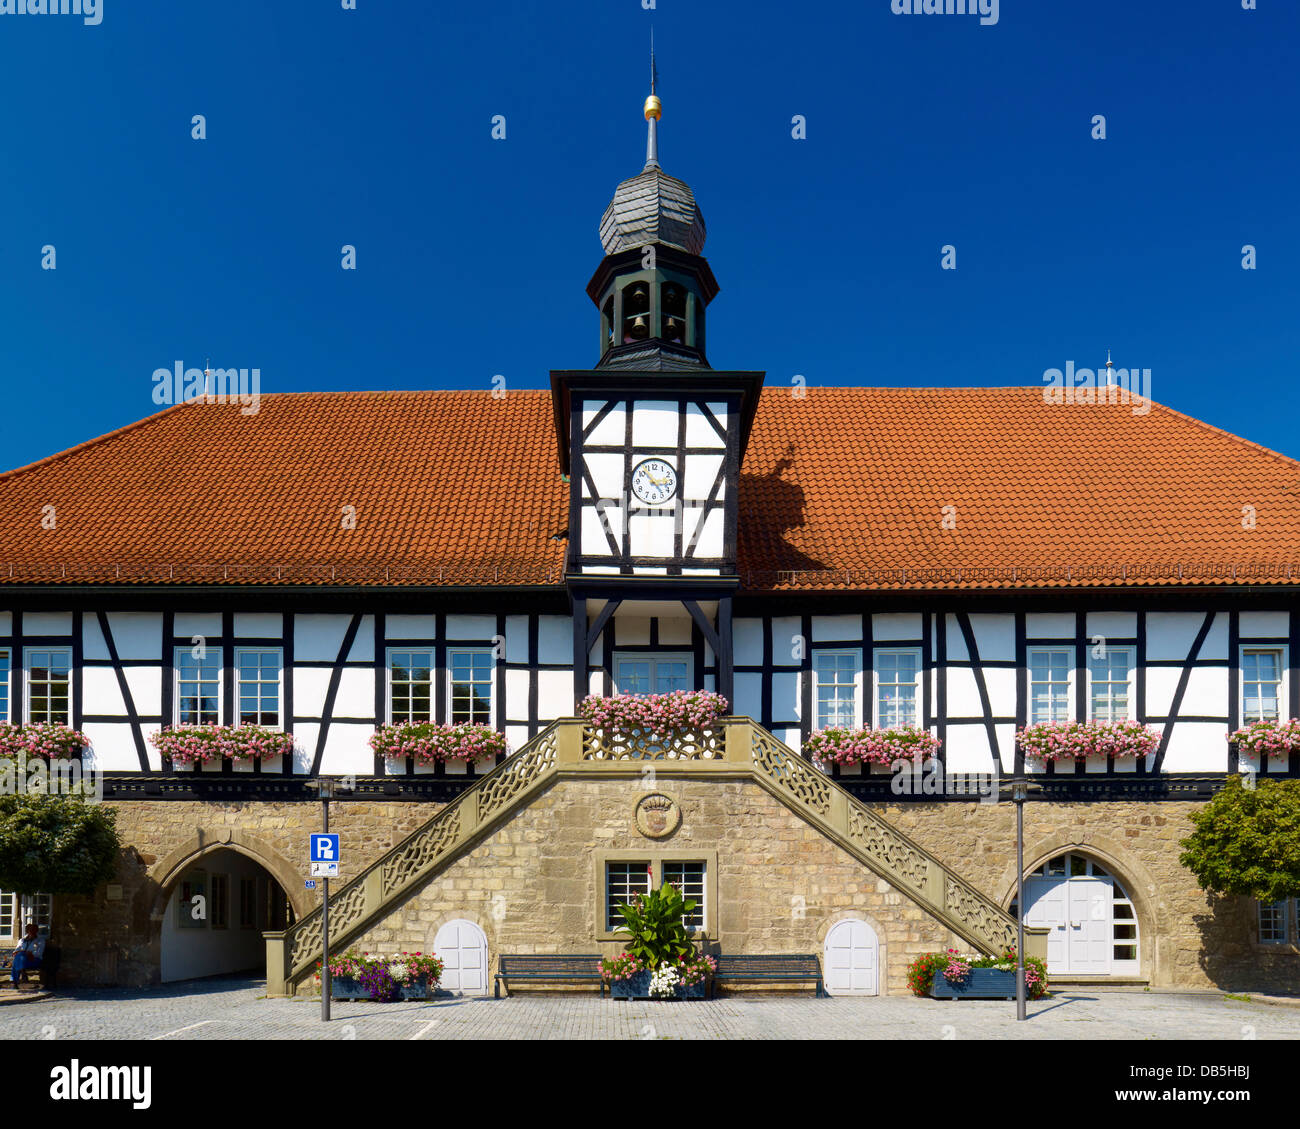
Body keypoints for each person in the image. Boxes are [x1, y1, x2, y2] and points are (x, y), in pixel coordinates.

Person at [11, 922, 45, 988]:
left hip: (34, 960)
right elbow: (16, 950)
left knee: (18, 959)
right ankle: (22, 971)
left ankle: (14, 982)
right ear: (27, 931)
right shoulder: (22, 940)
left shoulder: (40, 941)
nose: (31, 933)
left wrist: (29, 954)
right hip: (23, 960)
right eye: (30, 931)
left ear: (36, 931)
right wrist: (19, 952)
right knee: (19, 956)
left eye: (33, 931)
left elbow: (39, 953)